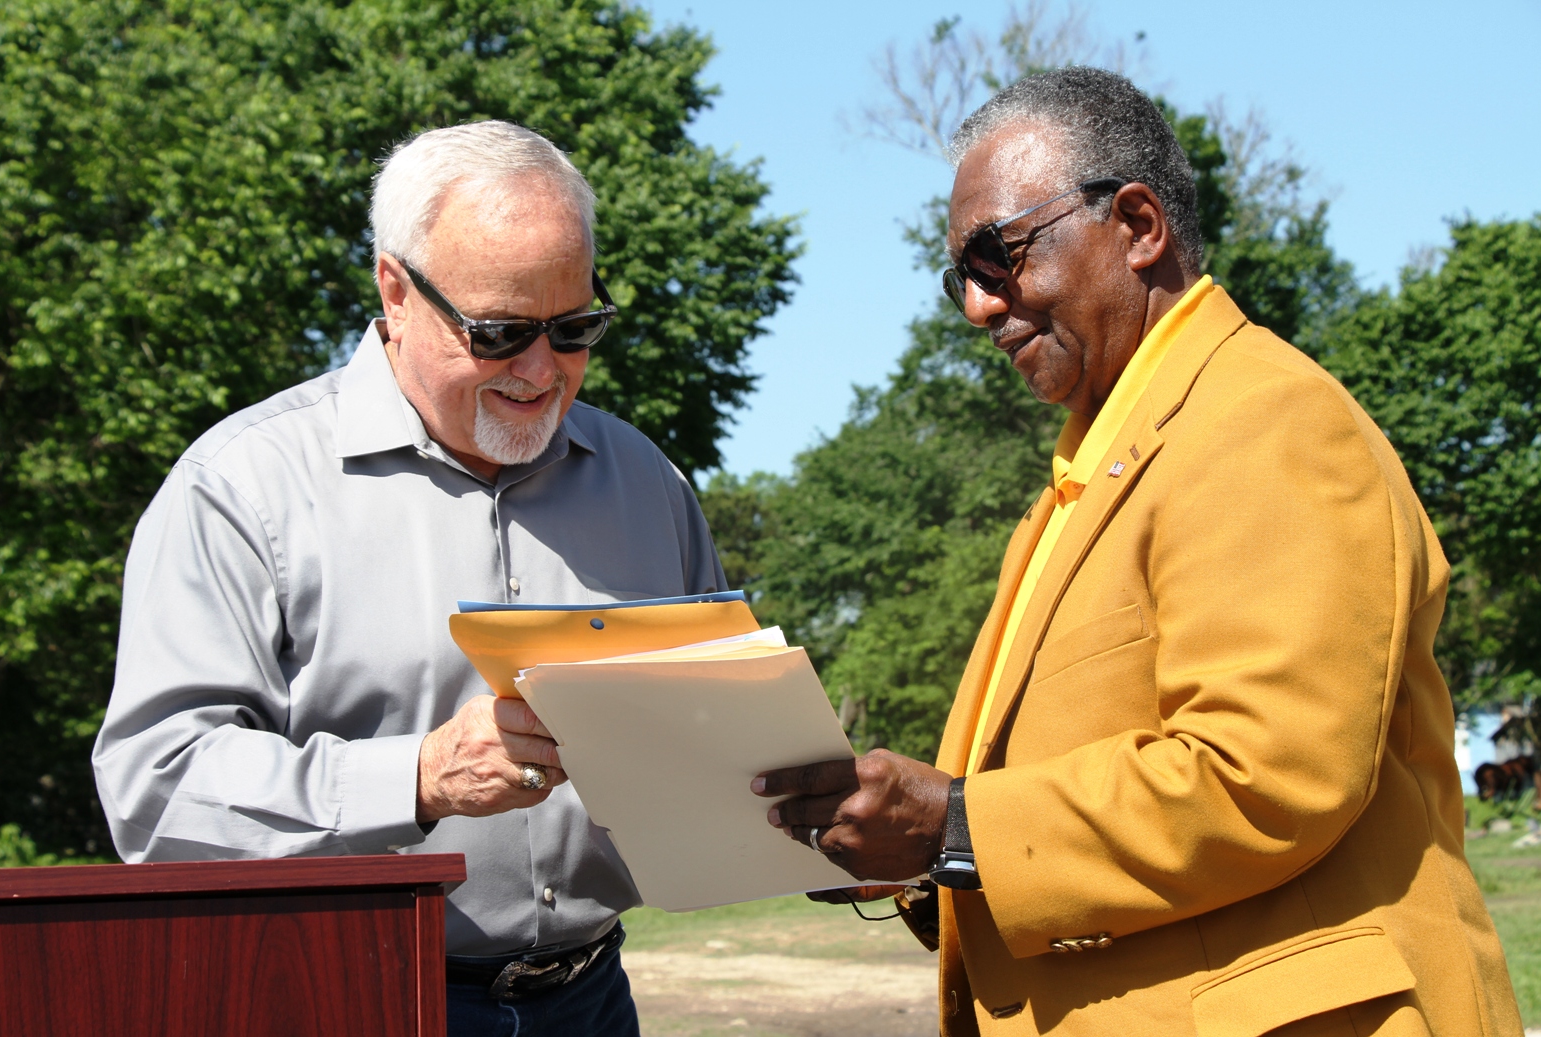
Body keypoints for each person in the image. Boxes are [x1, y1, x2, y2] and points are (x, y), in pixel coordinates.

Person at [753, 68, 1522, 1036]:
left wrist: (955, 822)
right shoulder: (1098, 467)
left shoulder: (1262, 420)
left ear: (1136, 224)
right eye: (962, 275)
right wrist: (903, 843)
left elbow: (1265, 773)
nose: (979, 308)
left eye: (1000, 255)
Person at [93, 120, 727, 1036]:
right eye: (500, 332)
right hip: (347, 995)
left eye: (576, 327)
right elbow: (155, 789)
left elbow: (712, 734)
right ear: (394, 289)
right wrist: (419, 776)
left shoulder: (647, 481)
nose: (542, 371)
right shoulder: (241, 485)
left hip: (593, 998)